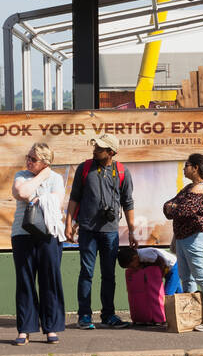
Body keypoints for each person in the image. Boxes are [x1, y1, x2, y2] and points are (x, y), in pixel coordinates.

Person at [65, 134, 136, 329]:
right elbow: (74, 197)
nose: (95, 150)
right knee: (87, 272)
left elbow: (128, 202)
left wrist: (131, 230)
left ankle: (108, 315)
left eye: (100, 148)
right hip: (88, 230)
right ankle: (84, 316)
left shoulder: (122, 172)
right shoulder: (85, 168)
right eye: (95, 146)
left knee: (109, 274)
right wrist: (68, 223)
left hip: (110, 232)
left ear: (111, 152)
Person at [10, 142, 66, 345]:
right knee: (25, 281)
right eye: (28, 157)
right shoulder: (21, 175)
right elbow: (21, 193)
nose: (28, 161)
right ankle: (25, 328)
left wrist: (36, 197)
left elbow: (58, 201)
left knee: (49, 280)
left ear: (44, 162)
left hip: (48, 234)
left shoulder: (57, 178)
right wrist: (41, 177)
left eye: (33, 159)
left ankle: (51, 327)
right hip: (22, 233)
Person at [162, 153, 203, 332]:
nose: (184, 168)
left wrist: (175, 207)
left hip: (195, 238)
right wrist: (174, 207)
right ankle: (192, 316)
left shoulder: (200, 189)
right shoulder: (189, 188)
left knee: (202, 277)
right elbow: (168, 207)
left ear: (195, 168)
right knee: (187, 278)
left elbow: (181, 210)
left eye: (187, 165)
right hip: (183, 237)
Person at [117, 245, 181, 294]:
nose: (133, 268)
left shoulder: (145, 254)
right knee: (179, 293)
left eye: (131, 266)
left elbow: (161, 261)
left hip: (173, 267)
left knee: (168, 294)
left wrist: (159, 277)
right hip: (169, 268)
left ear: (135, 258)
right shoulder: (139, 258)